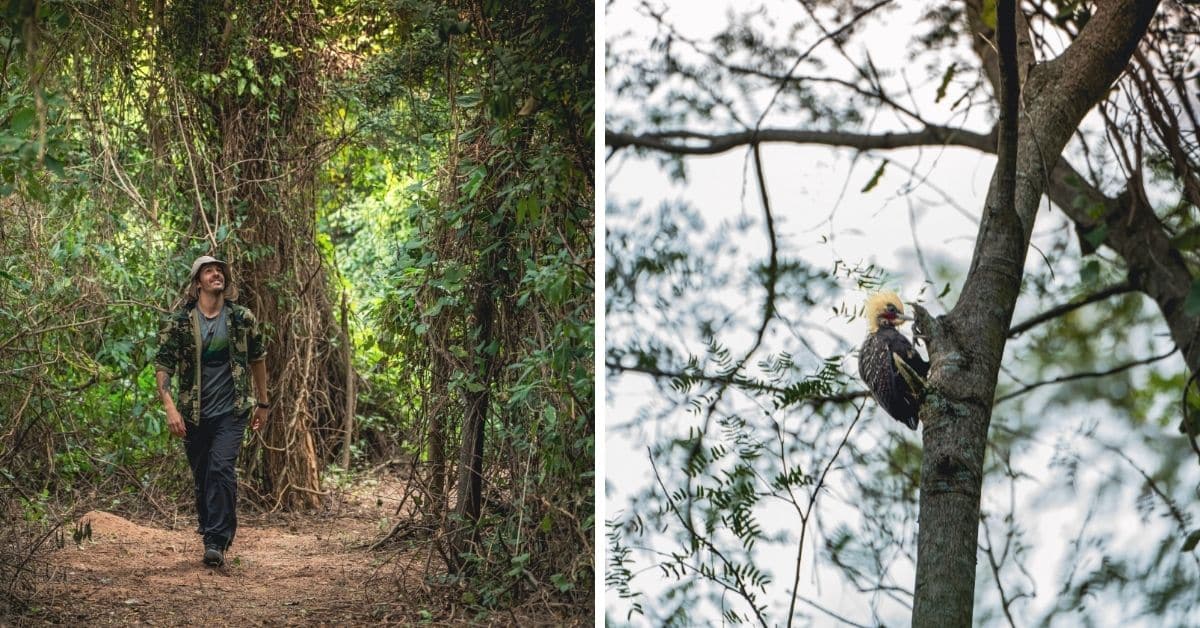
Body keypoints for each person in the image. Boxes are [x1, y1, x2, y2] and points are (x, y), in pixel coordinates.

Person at [153, 255, 270, 567]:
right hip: (193, 413)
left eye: (220, 271)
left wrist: (263, 403)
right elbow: (163, 365)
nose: (216, 274)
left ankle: (216, 541)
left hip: (232, 410)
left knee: (220, 468)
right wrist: (170, 409)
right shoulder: (180, 322)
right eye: (209, 271)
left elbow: (258, 358)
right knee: (203, 474)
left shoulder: (242, 318)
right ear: (197, 283)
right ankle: (210, 529)